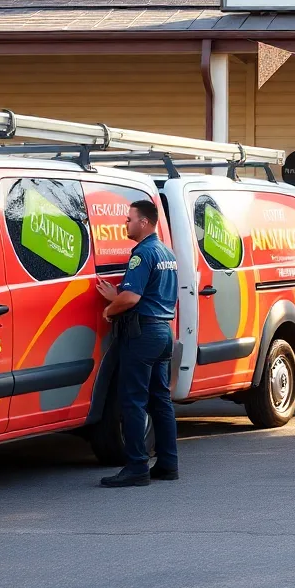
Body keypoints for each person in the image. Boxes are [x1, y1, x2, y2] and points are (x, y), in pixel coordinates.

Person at [95, 199, 181, 487]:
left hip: (142, 334)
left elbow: (132, 299)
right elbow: (146, 293)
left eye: (129, 219)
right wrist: (118, 293)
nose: (125, 223)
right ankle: (168, 464)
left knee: (133, 401)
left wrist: (109, 309)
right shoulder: (165, 252)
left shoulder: (142, 254)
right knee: (161, 401)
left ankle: (136, 467)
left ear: (143, 222)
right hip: (162, 332)